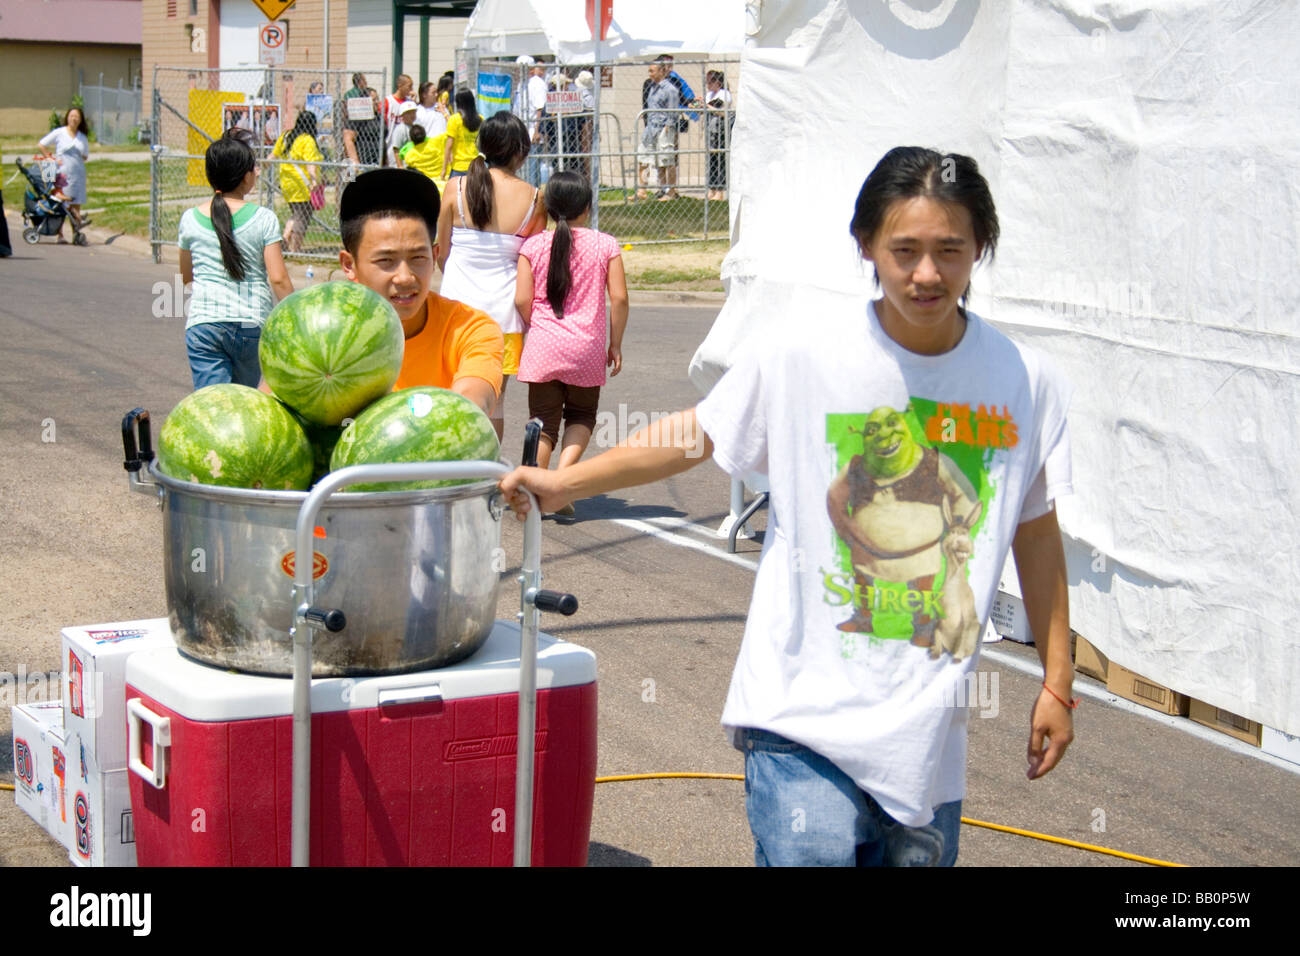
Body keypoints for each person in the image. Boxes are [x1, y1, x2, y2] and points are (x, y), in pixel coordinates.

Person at [500, 146, 1076, 867]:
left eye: (949, 250)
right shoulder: (805, 353)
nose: (926, 273)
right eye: (904, 250)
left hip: (926, 743)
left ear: (980, 249)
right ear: (865, 246)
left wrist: (1059, 682)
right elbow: (697, 436)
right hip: (800, 720)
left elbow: (1036, 530)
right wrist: (565, 483)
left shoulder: (1025, 380)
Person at [337, 168, 502, 414]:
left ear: (435, 256)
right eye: (386, 260)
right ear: (350, 265)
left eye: (418, 258)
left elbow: (471, 401)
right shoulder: (317, 329)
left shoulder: (470, 328)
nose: (405, 277)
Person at [514, 171, 628, 515]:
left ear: (548, 209)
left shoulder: (532, 246)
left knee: (544, 421)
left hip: (543, 347)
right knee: (581, 414)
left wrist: (542, 329)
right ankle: (563, 482)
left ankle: (538, 487)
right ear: (588, 207)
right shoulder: (606, 244)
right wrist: (616, 344)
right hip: (587, 349)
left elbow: (521, 300)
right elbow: (619, 299)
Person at [437, 112, 547, 439]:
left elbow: (442, 253)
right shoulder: (534, 197)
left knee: (451, 393)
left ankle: (448, 468)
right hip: (505, 318)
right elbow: (533, 261)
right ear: (520, 151)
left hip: (454, 312)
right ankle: (486, 472)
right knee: (494, 403)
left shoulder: (455, 187)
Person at [179, 130, 294, 389]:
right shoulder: (264, 218)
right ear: (246, 177)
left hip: (204, 325)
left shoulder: (189, 219)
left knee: (213, 406)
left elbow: (187, 278)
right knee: (242, 407)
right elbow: (278, 278)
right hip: (251, 327)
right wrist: (297, 316)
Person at [271, 110, 323, 252]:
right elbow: (310, 164)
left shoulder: (286, 136)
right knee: (302, 217)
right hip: (302, 183)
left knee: (296, 213)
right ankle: (295, 248)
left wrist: (261, 165)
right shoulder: (307, 140)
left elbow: (273, 155)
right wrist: (314, 181)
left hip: (287, 182)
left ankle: (286, 237)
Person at [38, 107, 91, 241]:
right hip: (62, 173)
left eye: (77, 117)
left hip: (78, 173)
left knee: (76, 203)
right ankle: (60, 234)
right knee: (61, 204)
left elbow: (85, 156)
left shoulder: (82, 137)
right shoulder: (59, 132)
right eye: (72, 116)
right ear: (67, 117)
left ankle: (76, 233)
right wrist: (51, 158)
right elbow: (42, 144)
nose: (74, 119)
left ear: (80, 120)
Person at [637, 60, 679, 201]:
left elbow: (673, 111)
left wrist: (668, 127)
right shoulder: (652, 87)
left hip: (664, 129)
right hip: (651, 128)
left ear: (661, 71)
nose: (650, 74)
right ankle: (644, 190)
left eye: (652, 71)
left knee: (667, 160)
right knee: (644, 157)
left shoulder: (670, 89)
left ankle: (671, 191)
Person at [513, 57, 550, 187]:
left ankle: (533, 197)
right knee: (524, 170)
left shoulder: (536, 83)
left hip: (531, 132)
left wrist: (537, 130)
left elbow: (541, 108)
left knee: (532, 170)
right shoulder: (521, 84)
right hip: (521, 133)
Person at [699, 70, 734, 201]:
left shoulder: (724, 94)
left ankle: (720, 191)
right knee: (711, 160)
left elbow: (721, 110)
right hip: (710, 131)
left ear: (717, 82)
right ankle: (711, 189)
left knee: (720, 161)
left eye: (710, 82)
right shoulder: (709, 95)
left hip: (721, 131)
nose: (707, 84)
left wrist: (706, 106)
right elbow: (704, 107)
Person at [341, 73, 382, 168]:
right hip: (364, 163)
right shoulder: (358, 117)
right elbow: (348, 138)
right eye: (374, 100)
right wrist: (355, 162)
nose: (377, 102)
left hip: (378, 162)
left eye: (377, 99)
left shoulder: (379, 117)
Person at [442, 90, 482, 180]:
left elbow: (449, 145)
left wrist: (444, 168)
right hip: (476, 167)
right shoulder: (480, 119)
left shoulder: (454, 119)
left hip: (459, 167)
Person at [383, 74, 415, 152]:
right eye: (409, 86)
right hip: (390, 144)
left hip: (407, 145)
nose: (411, 89)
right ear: (400, 86)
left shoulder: (409, 102)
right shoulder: (388, 101)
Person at [388, 100, 418, 167]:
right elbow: (396, 149)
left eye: (413, 112)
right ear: (402, 115)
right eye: (408, 113)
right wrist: (400, 166)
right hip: (401, 165)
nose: (412, 115)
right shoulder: (400, 129)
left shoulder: (414, 127)